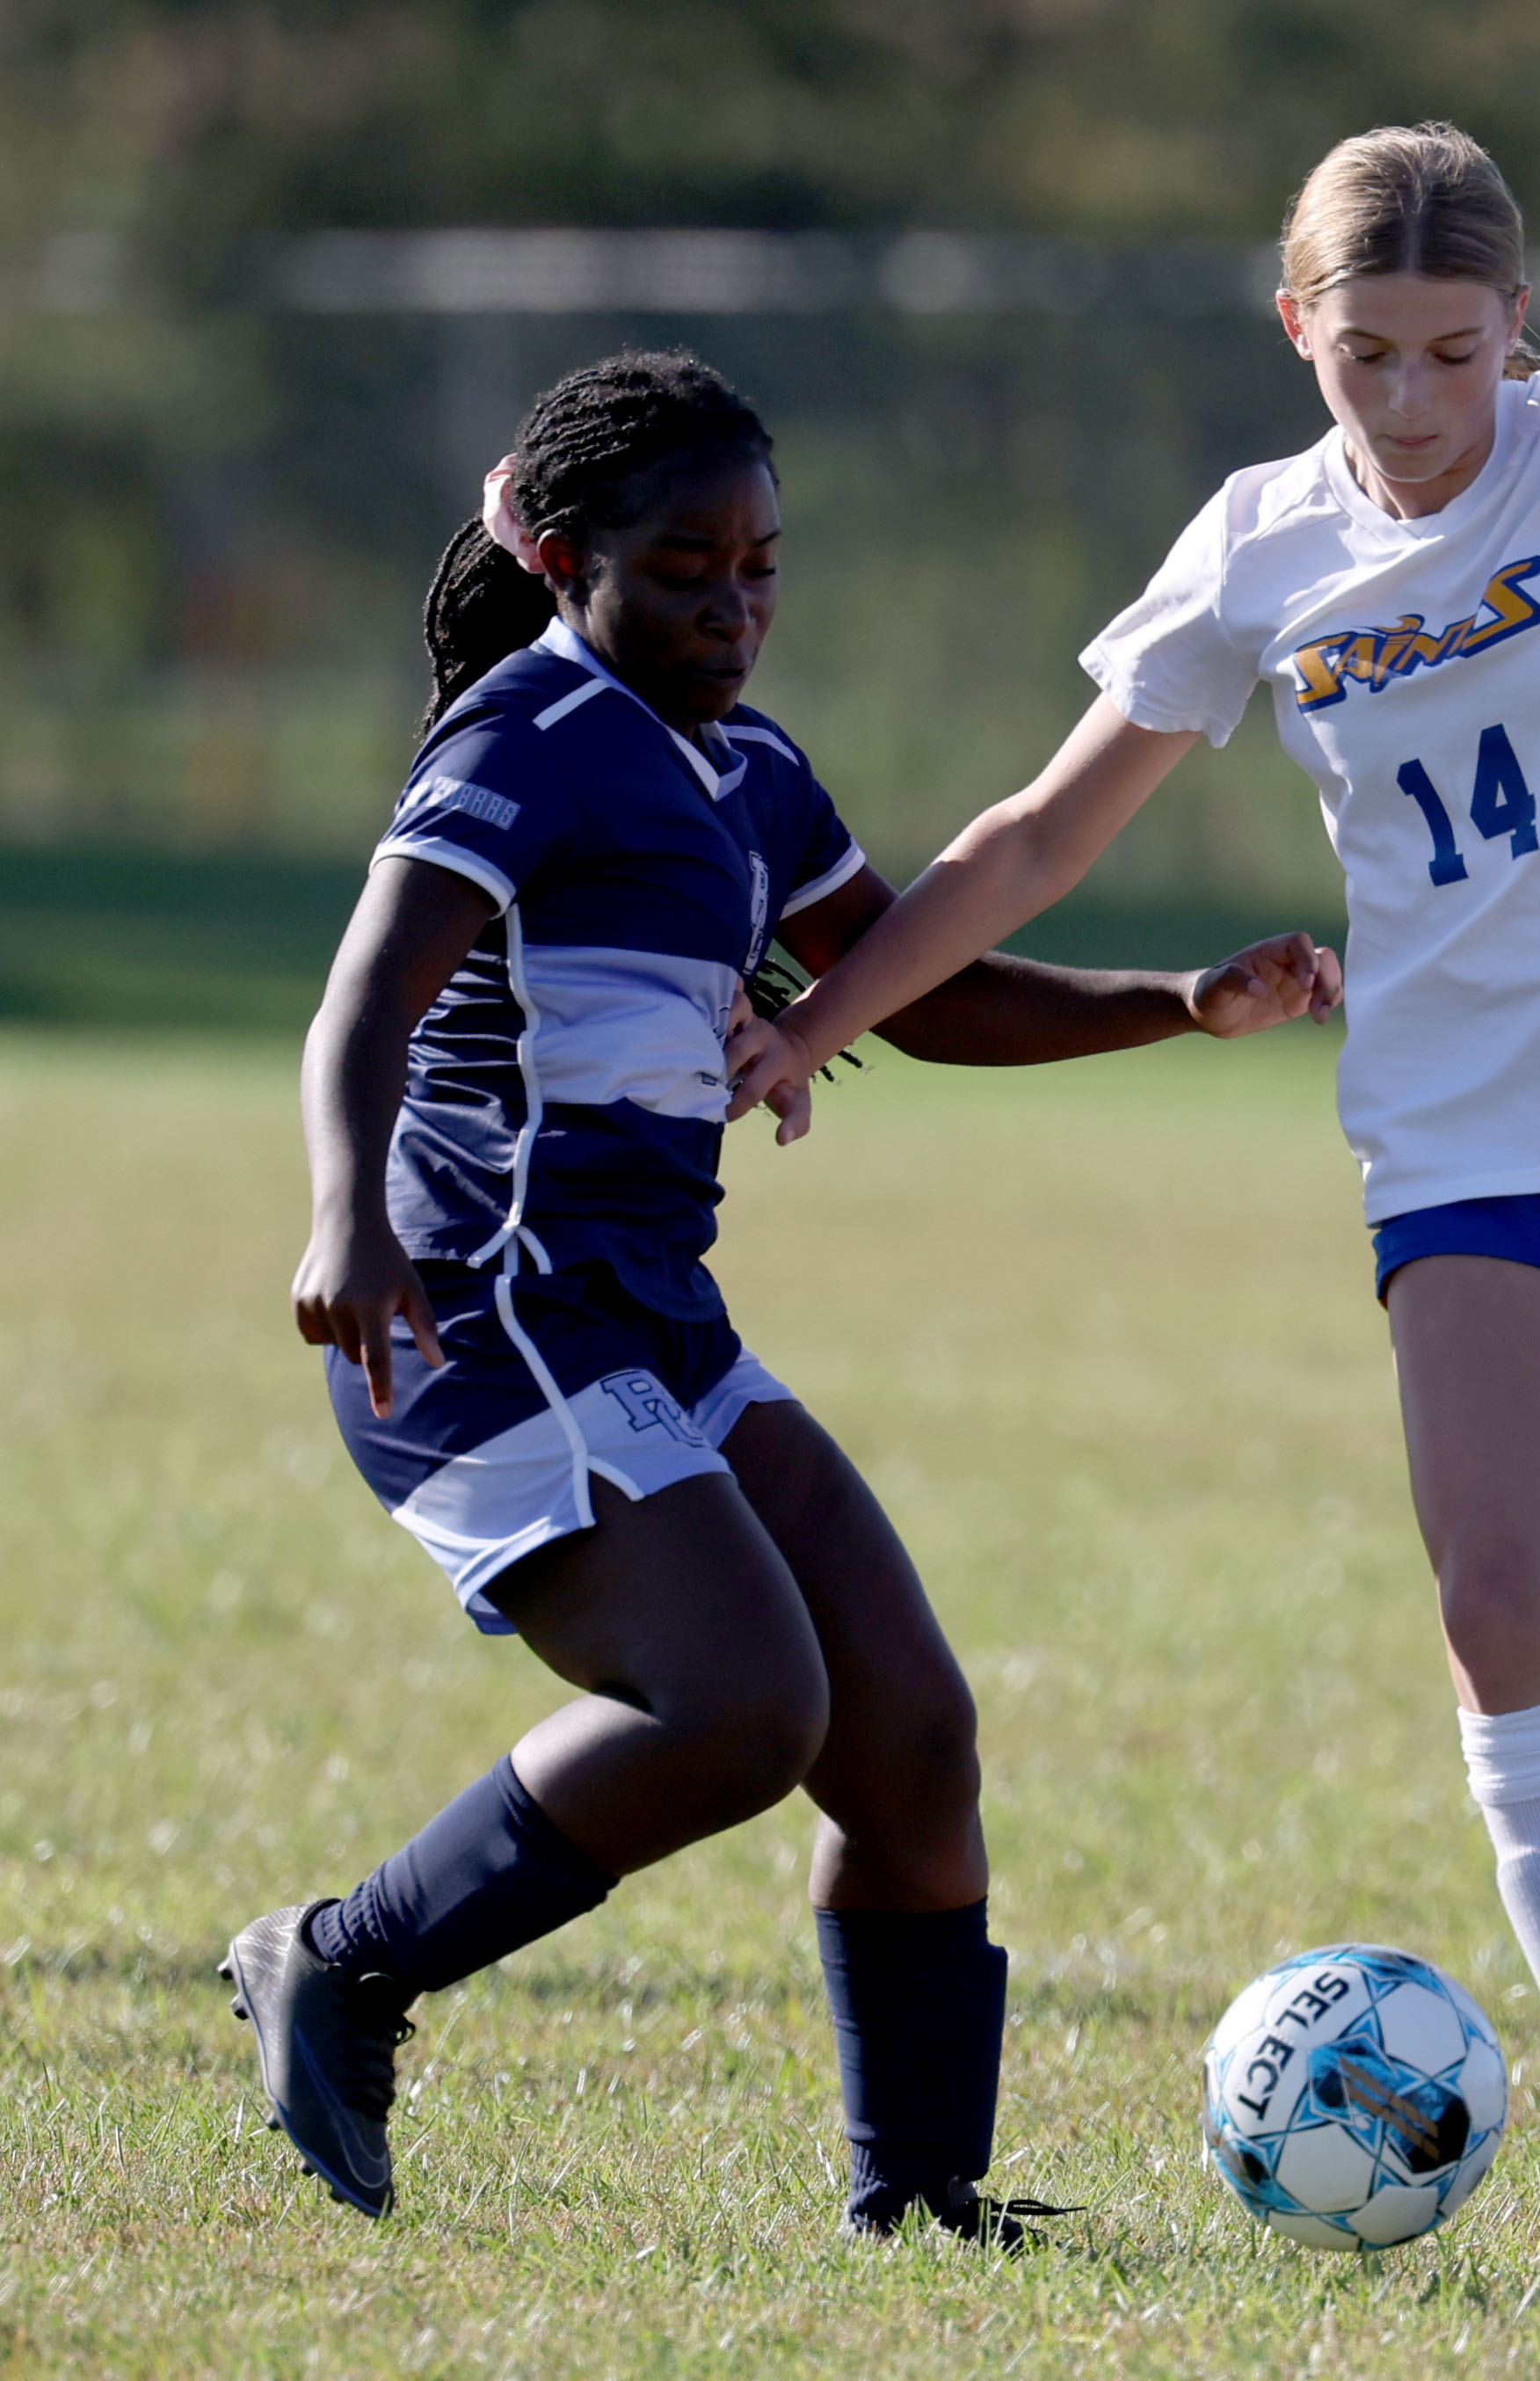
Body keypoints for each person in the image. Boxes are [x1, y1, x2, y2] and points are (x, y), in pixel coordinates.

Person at [726, 125, 1540, 2291]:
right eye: (1367, 357)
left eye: (1452, 350)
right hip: (1467, 1146)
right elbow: (1037, 836)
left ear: (1516, 330)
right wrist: (820, 1014)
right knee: (1504, 1611)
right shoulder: (1254, 547)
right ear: (1296, 333)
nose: (1414, 403)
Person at [219, 348, 1339, 2237]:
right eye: (682, 568)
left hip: (652, 1323)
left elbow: (914, 981)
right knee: (741, 1704)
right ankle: (344, 1958)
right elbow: (364, 1000)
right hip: (483, 1323)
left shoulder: (747, 769)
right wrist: (347, 1216)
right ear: (569, 558)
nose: (730, 606)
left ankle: (918, 2198)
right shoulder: (528, 731)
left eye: (759, 567)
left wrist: (1175, 1005)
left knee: (904, 1737)